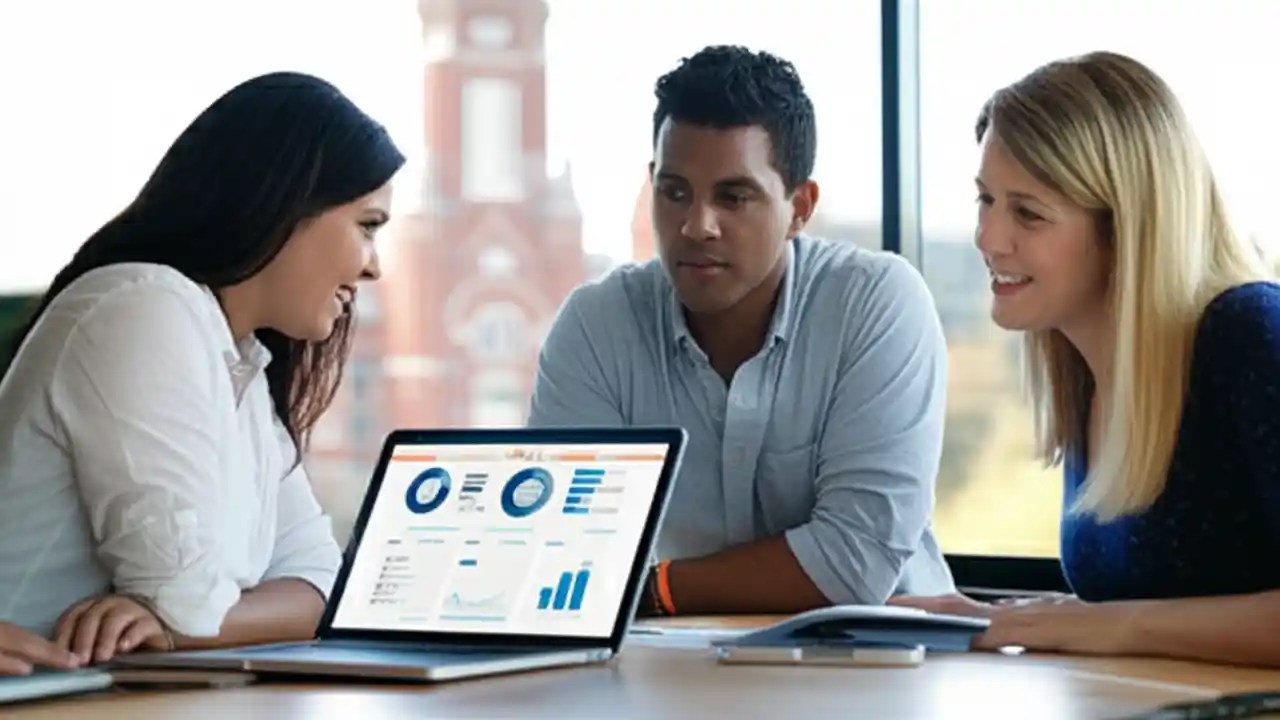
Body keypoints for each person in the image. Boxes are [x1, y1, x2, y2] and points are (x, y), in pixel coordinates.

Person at [528, 45, 955, 615]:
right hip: (672, 672)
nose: (696, 225)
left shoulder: (874, 302)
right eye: (674, 191)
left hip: (871, 670)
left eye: (734, 197)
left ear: (800, 206)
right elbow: (560, 552)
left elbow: (854, 561)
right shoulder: (596, 326)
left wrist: (651, 590)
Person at [0, 71, 405, 669]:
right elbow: (184, 597)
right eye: (367, 226)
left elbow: (321, 580)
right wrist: (188, 620)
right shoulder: (143, 307)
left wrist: (176, 629)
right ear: (289, 203)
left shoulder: (240, 363)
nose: (373, 268)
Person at [892, 52, 1280, 667]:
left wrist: (1076, 625)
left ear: (1126, 227)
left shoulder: (1249, 332)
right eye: (985, 199)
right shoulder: (1084, 375)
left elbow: (1127, 621)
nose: (989, 238)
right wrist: (1014, 617)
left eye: (1028, 212)